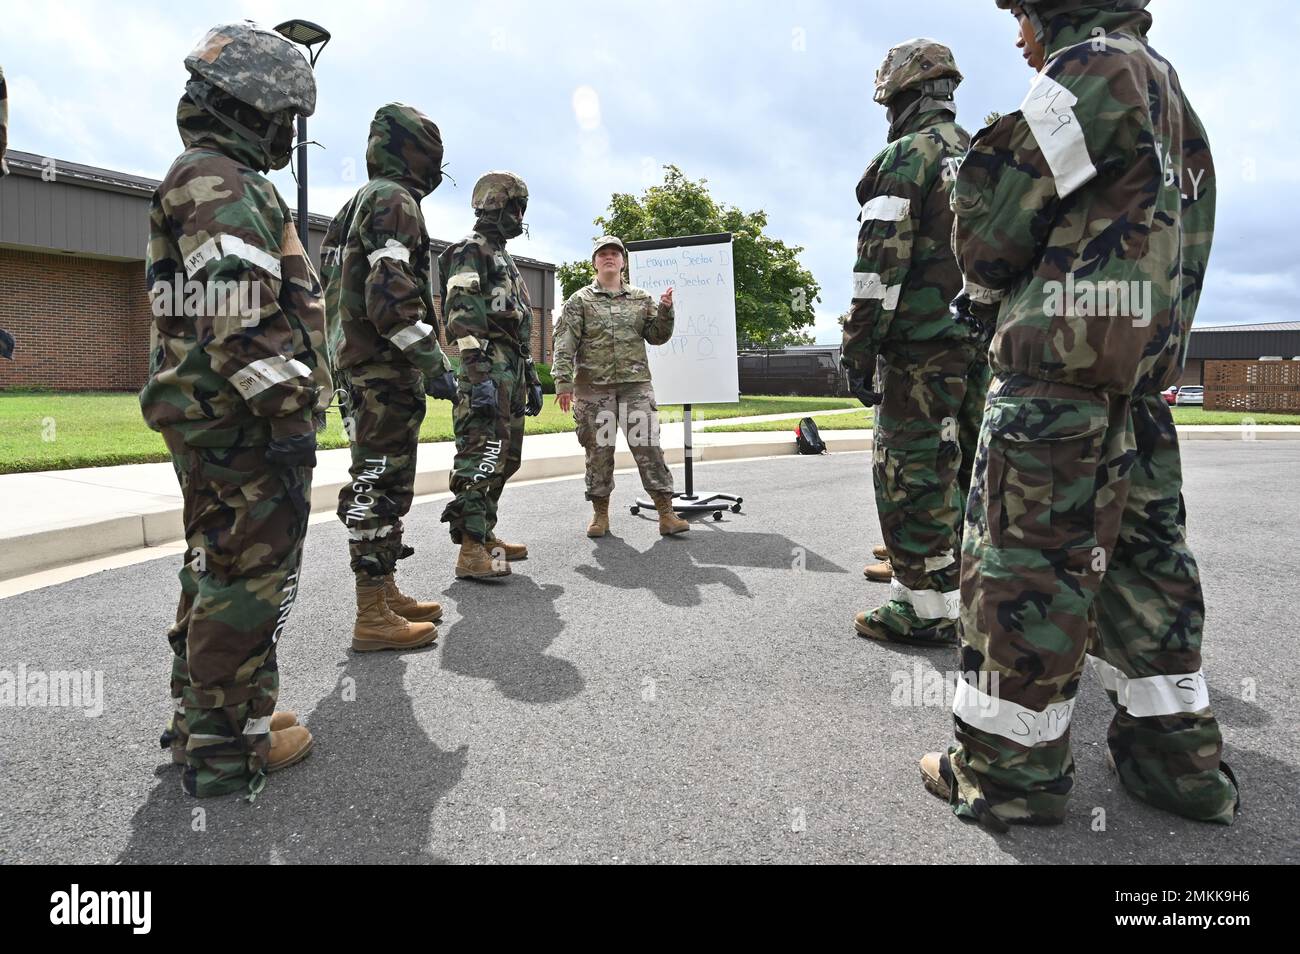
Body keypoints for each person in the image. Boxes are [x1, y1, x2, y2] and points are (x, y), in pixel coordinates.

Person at [920, 0, 1239, 830]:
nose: (1017, 35)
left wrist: (986, 295)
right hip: (1140, 393)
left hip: (1055, 387)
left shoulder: (1086, 69)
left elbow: (991, 223)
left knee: (1024, 575)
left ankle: (1007, 776)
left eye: (1020, 13)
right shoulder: (1177, 102)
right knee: (1147, 574)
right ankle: (1181, 762)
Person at [139, 22, 329, 797]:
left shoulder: (209, 173)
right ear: (251, 104)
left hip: (217, 417)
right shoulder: (220, 180)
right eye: (284, 115)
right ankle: (223, 748)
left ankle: (211, 716)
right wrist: (289, 416)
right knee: (249, 578)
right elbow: (243, 317)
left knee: (216, 563)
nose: (288, 131)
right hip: (245, 421)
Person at [841, 39, 989, 646]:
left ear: (899, 96)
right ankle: (959, 583)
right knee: (967, 468)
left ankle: (924, 608)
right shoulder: (982, 152)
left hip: (918, 349)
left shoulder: (907, 157)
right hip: (976, 344)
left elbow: (879, 269)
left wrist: (858, 347)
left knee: (909, 471)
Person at [321, 103, 458, 652]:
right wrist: (434, 363)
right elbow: (390, 296)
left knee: (379, 479)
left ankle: (383, 590)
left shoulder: (358, 201)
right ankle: (372, 614)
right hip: (381, 370)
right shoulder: (394, 199)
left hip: (358, 365)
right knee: (380, 482)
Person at [438, 171, 543, 579]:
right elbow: (461, 317)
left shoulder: (504, 256)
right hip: (486, 367)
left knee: (507, 457)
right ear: (497, 205)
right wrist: (478, 374)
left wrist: (530, 373)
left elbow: (516, 322)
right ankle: (469, 551)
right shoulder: (470, 250)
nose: (520, 216)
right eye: (516, 207)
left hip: (511, 368)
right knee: (481, 455)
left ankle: (484, 536)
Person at [552, 235, 688, 537]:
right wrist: (563, 382)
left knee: (649, 448)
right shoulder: (579, 301)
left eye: (615, 253)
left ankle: (666, 514)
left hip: (635, 388)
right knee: (599, 452)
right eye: (603, 254)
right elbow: (564, 344)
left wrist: (665, 311)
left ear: (623, 261)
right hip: (594, 391)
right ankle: (600, 516)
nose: (609, 257)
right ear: (595, 263)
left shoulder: (642, 298)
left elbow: (656, 336)